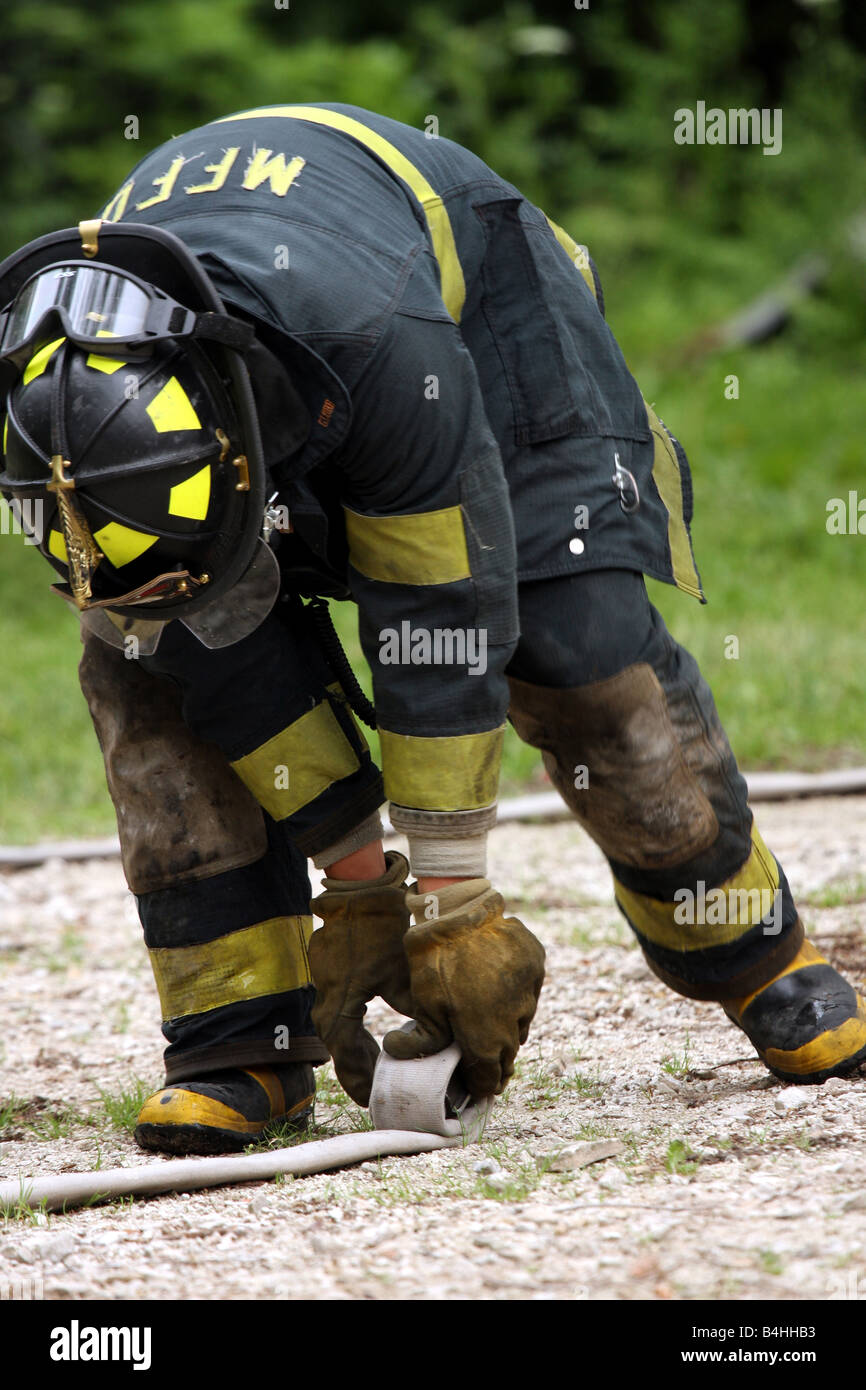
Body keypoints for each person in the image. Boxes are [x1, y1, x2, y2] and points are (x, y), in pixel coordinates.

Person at [1, 104, 862, 1157]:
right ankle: (239, 1047)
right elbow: (219, 660)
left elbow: (437, 612)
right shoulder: (68, 431)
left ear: (229, 463)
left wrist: (452, 900)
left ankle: (754, 954)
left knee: (574, 645)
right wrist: (360, 883)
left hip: (467, 330)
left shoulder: (372, 337)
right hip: (254, 384)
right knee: (148, 679)